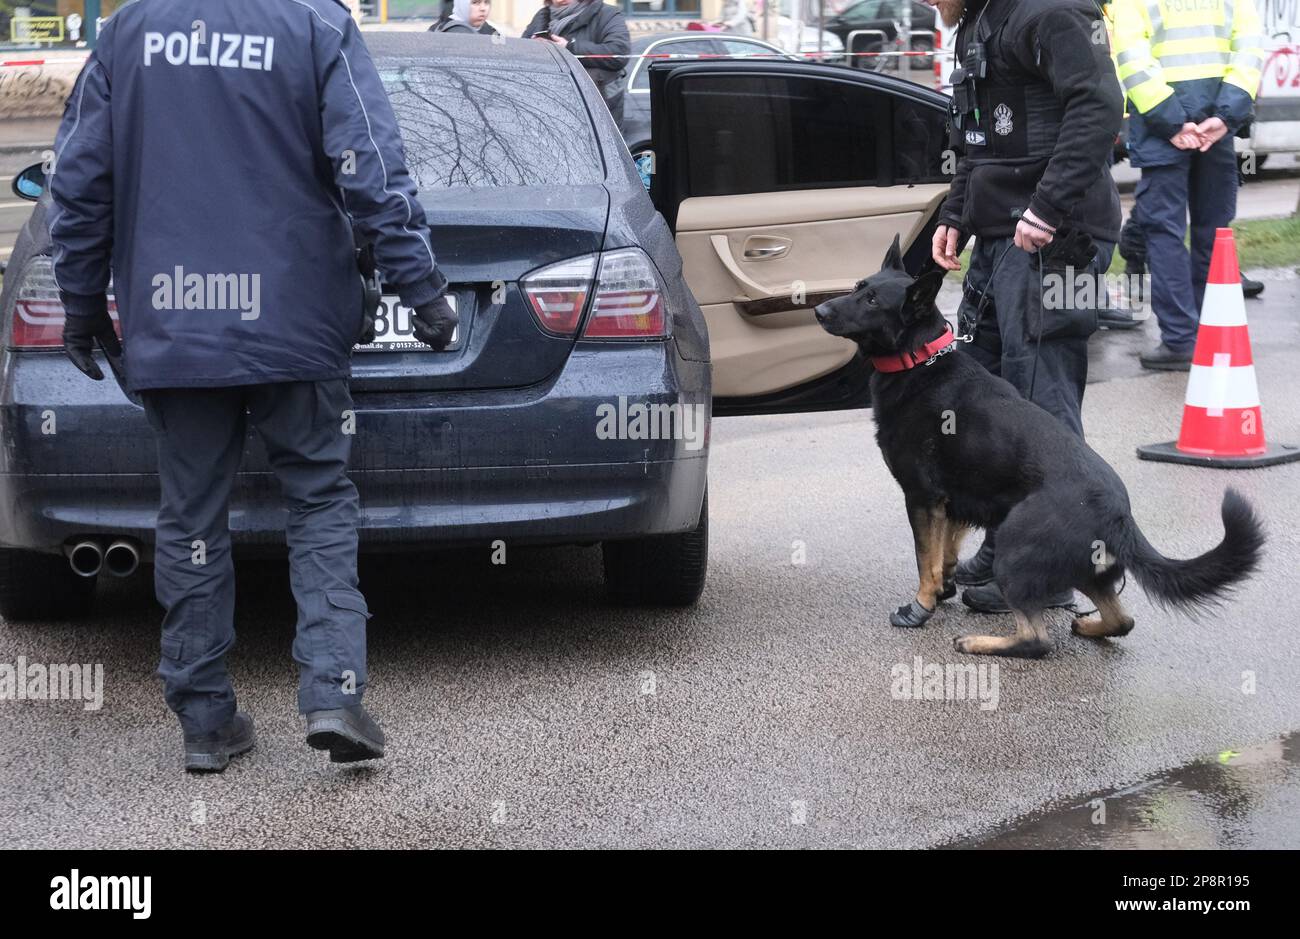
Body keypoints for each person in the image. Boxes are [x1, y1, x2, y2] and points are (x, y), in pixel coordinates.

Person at [49, 0, 456, 772]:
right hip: (293, 317)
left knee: (192, 513)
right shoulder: (312, 23)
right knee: (318, 496)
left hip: (176, 320)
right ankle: (333, 691)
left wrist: (80, 301)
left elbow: (80, 178)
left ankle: (205, 718)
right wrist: (418, 281)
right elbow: (367, 160)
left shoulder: (133, 29)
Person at [925, 0, 1124, 614]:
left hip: (1061, 235)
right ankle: (1013, 539)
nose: (927, 3)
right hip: (1001, 236)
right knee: (982, 398)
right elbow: (973, 138)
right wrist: (956, 213)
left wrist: (1047, 206)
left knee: (1044, 403)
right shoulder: (976, 22)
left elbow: (1099, 107)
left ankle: (1064, 563)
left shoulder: (1053, 12)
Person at [1110, 0, 1264, 370]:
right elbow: (1250, 50)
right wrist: (1225, 117)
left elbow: (1132, 59)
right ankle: (1213, 335)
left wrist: (1172, 121)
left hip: (1164, 131)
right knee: (1214, 232)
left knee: (1164, 233)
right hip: (1216, 127)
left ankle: (1181, 339)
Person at [524, 0, 630, 130]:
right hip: (547, 107)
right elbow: (519, 53)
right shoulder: (542, 15)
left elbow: (619, 53)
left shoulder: (607, 14)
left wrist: (570, 47)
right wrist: (531, 46)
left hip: (595, 111)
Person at [431, 0, 498, 36]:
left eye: (487, 2)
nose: (483, 8)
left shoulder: (490, 31)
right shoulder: (451, 32)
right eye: (475, 2)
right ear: (462, 4)